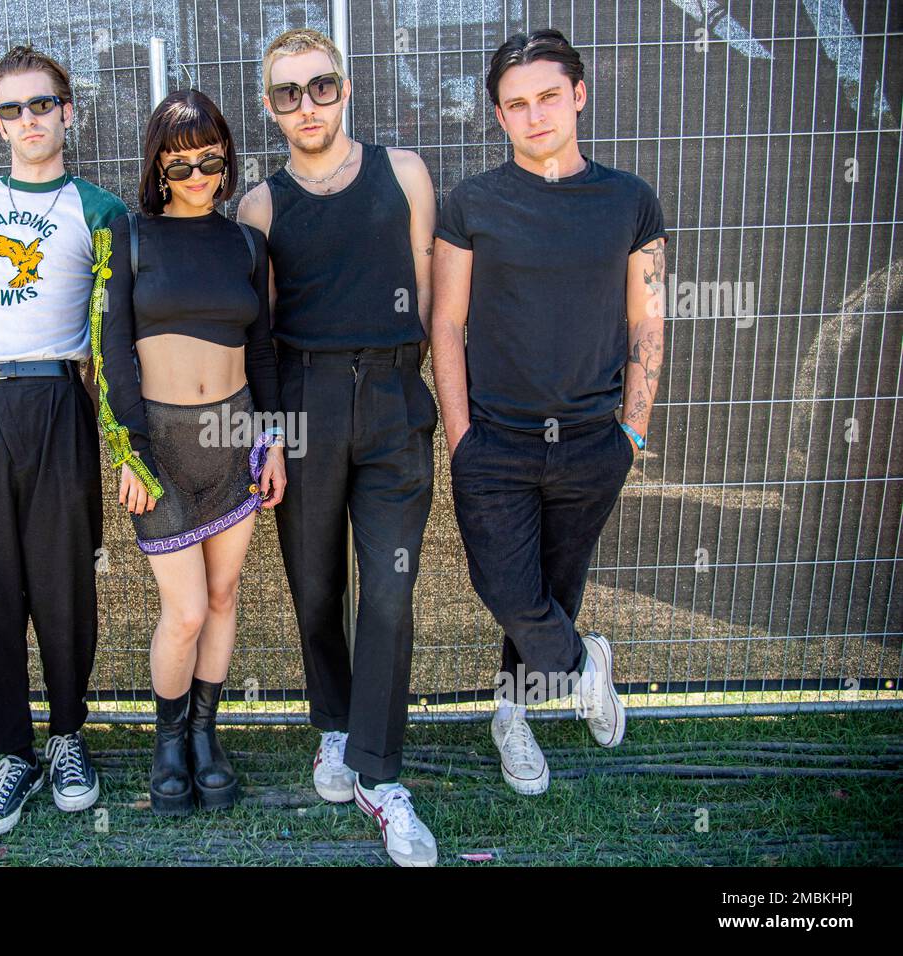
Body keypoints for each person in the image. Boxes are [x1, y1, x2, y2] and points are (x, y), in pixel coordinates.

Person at [431, 29, 668, 796]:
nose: (535, 116)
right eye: (516, 105)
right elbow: (445, 322)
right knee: (505, 585)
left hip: (595, 442)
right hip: (495, 442)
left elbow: (648, 320)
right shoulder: (472, 202)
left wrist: (634, 428)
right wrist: (462, 435)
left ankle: (513, 717)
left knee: (552, 596)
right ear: (499, 117)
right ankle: (583, 666)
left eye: (548, 97)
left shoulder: (630, 201)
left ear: (578, 96)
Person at [238, 28, 439, 866]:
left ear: (346, 87)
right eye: (288, 93)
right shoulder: (259, 205)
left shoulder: (407, 172)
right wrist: (272, 440)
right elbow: (263, 337)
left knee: (388, 591)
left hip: (393, 396)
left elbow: (426, 291)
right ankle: (332, 724)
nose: (306, 105)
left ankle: (379, 775)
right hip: (306, 402)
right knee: (316, 583)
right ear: (270, 107)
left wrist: (402, 384)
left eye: (320, 86)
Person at [0, 46, 127, 837]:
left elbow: (113, 336)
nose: (27, 121)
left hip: (57, 402)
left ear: (68, 112)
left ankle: (68, 736)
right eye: (10, 109)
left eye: (41, 105)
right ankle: (11, 751)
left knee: (64, 583)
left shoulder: (102, 210)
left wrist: (109, 434)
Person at [93, 89, 286, 814]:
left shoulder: (245, 243)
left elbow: (262, 349)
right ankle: (167, 743)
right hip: (159, 448)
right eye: (182, 165)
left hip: (235, 438)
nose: (200, 175)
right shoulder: (127, 234)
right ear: (158, 167)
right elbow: (107, 353)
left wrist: (273, 443)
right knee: (184, 611)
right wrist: (128, 451)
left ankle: (206, 737)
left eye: (211, 160)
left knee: (224, 597)